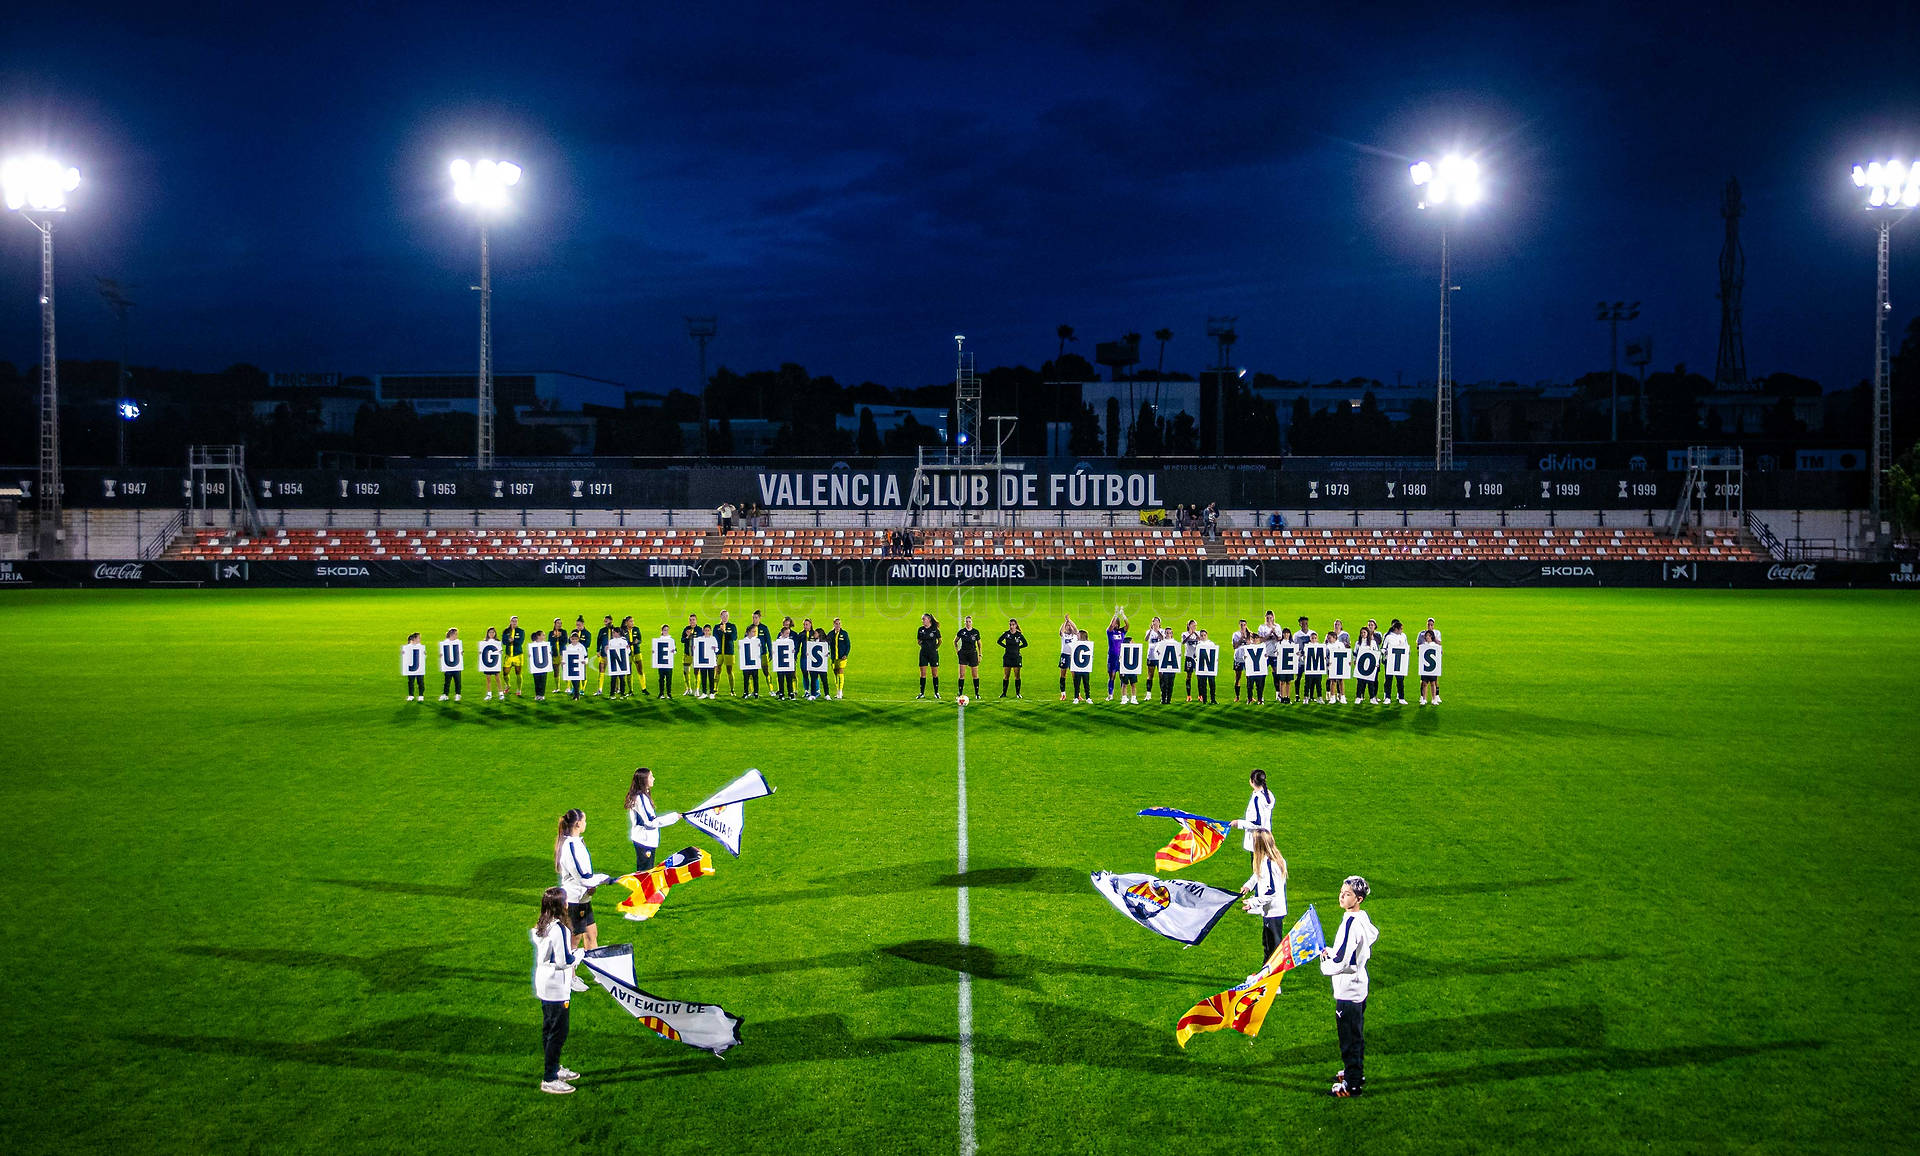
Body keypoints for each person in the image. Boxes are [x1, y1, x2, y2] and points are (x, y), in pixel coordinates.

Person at [1323, 876, 1379, 1098]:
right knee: (1356, 1035)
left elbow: (1341, 962)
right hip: (1359, 984)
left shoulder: (1350, 923)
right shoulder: (1362, 918)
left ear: (1359, 899)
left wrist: (1325, 964)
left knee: (1348, 1039)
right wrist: (1333, 951)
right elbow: (1367, 939)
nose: (1341, 896)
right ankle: (1355, 1072)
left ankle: (1352, 1084)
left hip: (1347, 988)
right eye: (1341, 892)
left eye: (1347, 894)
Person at [530, 886, 583, 1095]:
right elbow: (564, 961)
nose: (568, 904)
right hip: (556, 987)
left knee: (549, 1029)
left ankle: (554, 1068)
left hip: (544, 983)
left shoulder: (541, 925)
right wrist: (579, 956)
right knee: (558, 1032)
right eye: (565, 901)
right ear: (559, 906)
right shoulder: (559, 929)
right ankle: (550, 1078)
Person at [555, 809, 610, 968]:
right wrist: (604, 879)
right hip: (574, 901)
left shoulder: (577, 842)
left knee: (591, 934)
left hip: (583, 898)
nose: (586, 823)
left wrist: (592, 885)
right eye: (584, 821)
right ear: (578, 824)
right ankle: (570, 977)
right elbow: (583, 877)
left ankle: (597, 971)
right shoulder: (570, 846)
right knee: (574, 940)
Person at [1240, 829, 1289, 969]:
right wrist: (1248, 885)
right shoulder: (1270, 860)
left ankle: (1273, 982)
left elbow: (1271, 892)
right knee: (1268, 945)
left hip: (1273, 911)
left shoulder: (1270, 864)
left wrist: (1252, 903)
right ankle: (1265, 977)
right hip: (1273, 910)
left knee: (1272, 948)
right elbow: (1257, 874)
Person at [625, 767, 683, 873]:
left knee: (645, 872)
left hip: (644, 838)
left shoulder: (642, 795)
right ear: (644, 780)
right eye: (651, 776)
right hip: (644, 840)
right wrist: (674, 817)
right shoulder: (641, 798)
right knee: (645, 873)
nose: (654, 779)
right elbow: (651, 821)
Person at [1227, 768, 1273, 868]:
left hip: (1257, 839)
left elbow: (1257, 822)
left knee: (1258, 870)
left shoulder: (1257, 799)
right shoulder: (1267, 794)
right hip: (1266, 837)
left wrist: (1238, 823)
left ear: (1252, 781)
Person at [954, 615, 983, 700]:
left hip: (973, 654)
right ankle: (960, 694)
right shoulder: (961, 631)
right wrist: (957, 651)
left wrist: (980, 655)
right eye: (966, 621)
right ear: (965, 622)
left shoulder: (976, 632)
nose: (968, 623)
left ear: (972, 622)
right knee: (962, 675)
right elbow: (955, 641)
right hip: (963, 654)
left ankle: (977, 694)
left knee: (975, 675)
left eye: (969, 621)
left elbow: (979, 644)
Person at [996, 618, 1027, 698]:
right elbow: (999, 641)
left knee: (1017, 676)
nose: (1011, 626)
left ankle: (1018, 693)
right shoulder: (1006, 634)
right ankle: (1004, 693)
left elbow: (1026, 644)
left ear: (1016, 625)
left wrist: (1018, 648)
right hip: (1007, 657)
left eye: (1013, 625)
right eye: (1010, 625)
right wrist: (1005, 646)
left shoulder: (1019, 635)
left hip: (1016, 657)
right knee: (1006, 676)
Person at [746, 611, 774, 699]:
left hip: (762, 654)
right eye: (753, 617)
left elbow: (768, 641)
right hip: (752, 655)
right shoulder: (749, 628)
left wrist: (770, 651)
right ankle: (753, 691)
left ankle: (771, 690)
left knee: (766, 671)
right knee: (751, 674)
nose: (754, 619)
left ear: (759, 618)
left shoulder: (764, 628)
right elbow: (745, 640)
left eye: (756, 617)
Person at [1383, 619, 1410, 705]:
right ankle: (1387, 697)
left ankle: (1401, 697)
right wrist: (1385, 652)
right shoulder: (1388, 637)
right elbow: (1383, 648)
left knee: (1400, 680)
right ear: (1396, 629)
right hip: (1390, 661)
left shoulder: (1403, 636)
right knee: (1388, 679)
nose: (1402, 630)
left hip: (1400, 661)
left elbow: (1406, 646)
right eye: (1401, 628)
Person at [1104, 609, 1129, 702]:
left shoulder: (1122, 631)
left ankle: (1124, 695)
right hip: (1112, 657)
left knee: (1122, 676)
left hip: (1121, 657)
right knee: (1112, 676)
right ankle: (1110, 695)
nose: (1114, 624)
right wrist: (1115, 614)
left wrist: (1123, 615)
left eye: (1115, 622)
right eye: (1113, 622)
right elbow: (1110, 626)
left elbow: (1127, 625)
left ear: (1118, 623)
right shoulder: (1109, 632)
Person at [916, 613, 942, 700]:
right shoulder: (920, 629)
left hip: (933, 654)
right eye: (922, 619)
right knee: (923, 674)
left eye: (924, 619)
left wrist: (934, 648)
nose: (922, 621)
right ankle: (921, 693)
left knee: (934, 674)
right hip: (923, 654)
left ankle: (936, 693)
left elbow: (940, 641)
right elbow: (918, 641)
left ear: (929, 620)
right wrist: (924, 646)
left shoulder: (935, 630)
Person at [1353, 624, 1380, 705]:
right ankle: (1358, 697)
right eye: (1361, 633)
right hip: (1361, 665)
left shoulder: (1373, 643)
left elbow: (1376, 653)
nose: (1363, 634)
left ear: (1367, 633)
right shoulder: (1358, 643)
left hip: (1370, 666)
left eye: (1364, 632)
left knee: (1371, 682)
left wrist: (1377, 663)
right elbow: (1355, 653)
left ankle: (1372, 698)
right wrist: (1354, 661)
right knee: (1360, 682)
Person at [827, 616, 852, 700]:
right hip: (834, 658)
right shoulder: (830, 634)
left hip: (842, 657)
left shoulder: (844, 633)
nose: (838, 625)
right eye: (836, 624)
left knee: (840, 672)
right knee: (835, 674)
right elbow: (826, 643)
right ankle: (837, 690)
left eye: (839, 624)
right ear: (833, 624)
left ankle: (840, 691)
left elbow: (848, 645)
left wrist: (846, 654)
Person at [715, 610, 738, 697]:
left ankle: (732, 690)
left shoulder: (732, 626)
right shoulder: (716, 627)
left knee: (729, 670)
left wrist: (725, 632)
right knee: (717, 670)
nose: (725, 618)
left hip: (729, 652)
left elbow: (734, 637)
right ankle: (715, 689)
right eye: (723, 616)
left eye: (726, 616)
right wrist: (721, 631)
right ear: (720, 616)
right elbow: (715, 637)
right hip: (719, 652)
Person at [1417, 625, 1442, 706]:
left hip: (1432, 667)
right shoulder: (1423, 645)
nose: (1427, 637)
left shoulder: (1436, 646)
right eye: (1426, 635)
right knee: (1424, 683)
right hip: (1425, 667)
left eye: (1429, 635)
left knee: (1433, 683)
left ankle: (1434, 698)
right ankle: (1424, 699)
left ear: (1432, 637)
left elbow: (1440, 654)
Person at [502, 615, 526, 697]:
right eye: (513, 621)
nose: (514, 622)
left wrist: (513, 640)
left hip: (518, 655)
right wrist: (510, 640)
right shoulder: (506, 631)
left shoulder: (521, 631)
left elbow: (520, 642)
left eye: (516, 621)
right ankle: (508, 685)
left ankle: (519, 689)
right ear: (510, 621)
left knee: (518, 672)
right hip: (508, 656)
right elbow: (504, 642)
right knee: (505, 673)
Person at [605, 625, 631, 699]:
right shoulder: (611, 641)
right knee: (613, 679)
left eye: (614, 632)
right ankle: (612, 694)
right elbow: (608, 653)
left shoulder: (624, 641)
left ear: (618, 633)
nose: (613, 634)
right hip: (614, 662)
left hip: (621, 663)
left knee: (622, 679)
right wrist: (606, 649)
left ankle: (622, 693)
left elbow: (628, 652)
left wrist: (627, 648)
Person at [438, 627, 464, 702]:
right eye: (456, 634)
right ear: (451, 634)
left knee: (457, 681)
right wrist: (441, 655)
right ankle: (445, 694)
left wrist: (461, 653)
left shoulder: (458, 642)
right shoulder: (445, 643)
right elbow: (442, 653)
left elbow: (460, 652)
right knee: (447, 681)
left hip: (456, 666)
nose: (457, 636)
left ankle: (458, 694)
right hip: (448, 666)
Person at [773, 622, 798, 700]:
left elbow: (793, 650)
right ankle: (781, 694)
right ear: (782, 633)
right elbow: (774, 650)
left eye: (788, 633)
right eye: (786, 633)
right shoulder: (777, 642)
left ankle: (791, 694)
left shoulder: (790, 641)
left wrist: (794, 651)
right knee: (780, 679)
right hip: (780, 663)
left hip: (788, 663)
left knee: (789, 679)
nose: (788, 635)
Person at [1057, 614, 1079, 701]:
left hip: (1073, 656)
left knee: (1075, 676)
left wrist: (1069, 620)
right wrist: (1065, 622)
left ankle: (1077, 694)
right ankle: (1063, 694)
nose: (1069, 627)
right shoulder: (1064, 635)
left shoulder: (1075, 635)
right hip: (1064, 655)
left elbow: (1076, 629)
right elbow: (1060, 631)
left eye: (1070, 626)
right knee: (1063, 675)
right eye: (1067, 626)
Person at [1229, 618, 1251, 703]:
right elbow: (1235, 646)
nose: (1243, 626)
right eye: (1241, 625)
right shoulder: (1236, 634)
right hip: (1238, 658)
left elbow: (1253, 644)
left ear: (1246, 625)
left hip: (1247, 658)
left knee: (1249, 677)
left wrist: (1248, 638)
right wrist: (1241, 639)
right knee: (1238, 677)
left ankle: (1250, 696)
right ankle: (1237, 696)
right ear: (1239, 625)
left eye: (1244, 625)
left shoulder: (1249, 634)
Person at [563, 630, 590, 701]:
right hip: (571, 666)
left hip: (579, 666)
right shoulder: (568, 647)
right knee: (573, 680)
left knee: (577, 681)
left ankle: (577, 695)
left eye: (576, 639)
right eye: (573, 639)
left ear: (578, 639)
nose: (574, 640)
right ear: (570, 639)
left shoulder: (581, 647)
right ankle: (576, 695)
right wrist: (563, 662)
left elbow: (586, 656)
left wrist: (585, 662)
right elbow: (565, 657)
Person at [1194, 628, 1218, 704]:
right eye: (1201, 635)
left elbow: (1215, 654)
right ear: (1200, 636)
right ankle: (1204, 699)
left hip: (1210, 666)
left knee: (1212, 683)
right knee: (1203, 684)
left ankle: (1213, 699)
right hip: (1202, 666)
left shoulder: (1211, 643)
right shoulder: (1198, 644)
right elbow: (1195, 655)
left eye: (1204, 635)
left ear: (1207, 635)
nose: (1203, 637)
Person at [528, 629, 552, 702]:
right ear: (538, 636)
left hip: (544, 666)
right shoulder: (533, 644)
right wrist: (529, 655)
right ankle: (537, 694)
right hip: (536, 666)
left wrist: (550, 653)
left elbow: (549, 653)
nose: (544, 636)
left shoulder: (546, 644)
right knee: (537, 680)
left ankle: (542, 695)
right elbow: (530, 654)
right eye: (543, 635)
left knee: (543, 680)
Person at [401, 631, 427, 701]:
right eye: (419, 638)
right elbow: (405, 657)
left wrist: (425, 654)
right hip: (411, 668)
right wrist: (403, 653)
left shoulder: (421, 647)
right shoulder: (407, 647)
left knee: (420, 682)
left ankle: (421, 695)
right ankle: (411, 695)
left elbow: (423, 658)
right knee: (411, 682)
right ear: (414, 639)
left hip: (419, 668)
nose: (420, 639)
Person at [678, 613, 702, 690]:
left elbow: (701, 641)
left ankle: (697, 689)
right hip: (687, 654)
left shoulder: (699, 630)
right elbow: (682, 640)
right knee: (685, 672)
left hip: (696, 655)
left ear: (696, 620)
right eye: (690, 620)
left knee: (696, 672)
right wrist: (688, 636)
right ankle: (688, 689)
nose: (692, 621)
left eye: (693, 620)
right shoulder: (686, 629)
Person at [1180, 619, 1201, 703]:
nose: (1194, 627)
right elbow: (1183, 642)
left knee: (1199, 676)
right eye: (1193, 625)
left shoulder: (1198, 633)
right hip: (1189, 657)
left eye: (1195, 625)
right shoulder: (1184, 634)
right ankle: (1188, 695)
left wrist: (1195, 633)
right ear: (1189, 625)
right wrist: (1190, 634)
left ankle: (1200, 695)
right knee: (1189, 676)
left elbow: (1201, 639)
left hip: (1197, 657)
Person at [1071, 629, 1094, 703]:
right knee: (1076, 683)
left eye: (1078, 634)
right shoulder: (1075, 643)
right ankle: (1076, 697)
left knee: (1086, 683)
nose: (1077, 636)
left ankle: (1088, 697)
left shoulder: (1088, 644)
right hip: (1077, 666)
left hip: (1085, 667)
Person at [483, 626, 505, 701]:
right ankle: (489, 694)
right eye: (490, 632)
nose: (491, 634)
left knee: (497, 678)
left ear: (495, 633)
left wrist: (501, 652)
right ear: (487, 633)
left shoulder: (498, 642)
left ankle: (501, 693)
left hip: (495, 663)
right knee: (488, 679)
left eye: (493, 632)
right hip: (487, 663)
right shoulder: (484, 642)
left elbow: (501, 651)